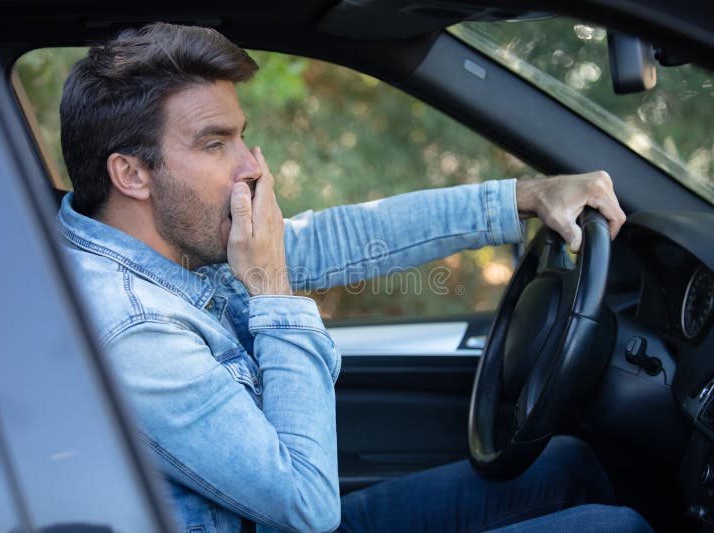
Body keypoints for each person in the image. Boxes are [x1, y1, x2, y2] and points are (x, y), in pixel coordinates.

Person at [56, 22, 650, 533]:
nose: (252, 168)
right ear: (131, 174)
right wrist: (272, 289)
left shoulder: (172, 246)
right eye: (215, 144)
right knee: (615, 529)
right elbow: (307, 504)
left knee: (567, 466)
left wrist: (527, 196)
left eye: (242, 136)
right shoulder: (129, 328)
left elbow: (343, 237)